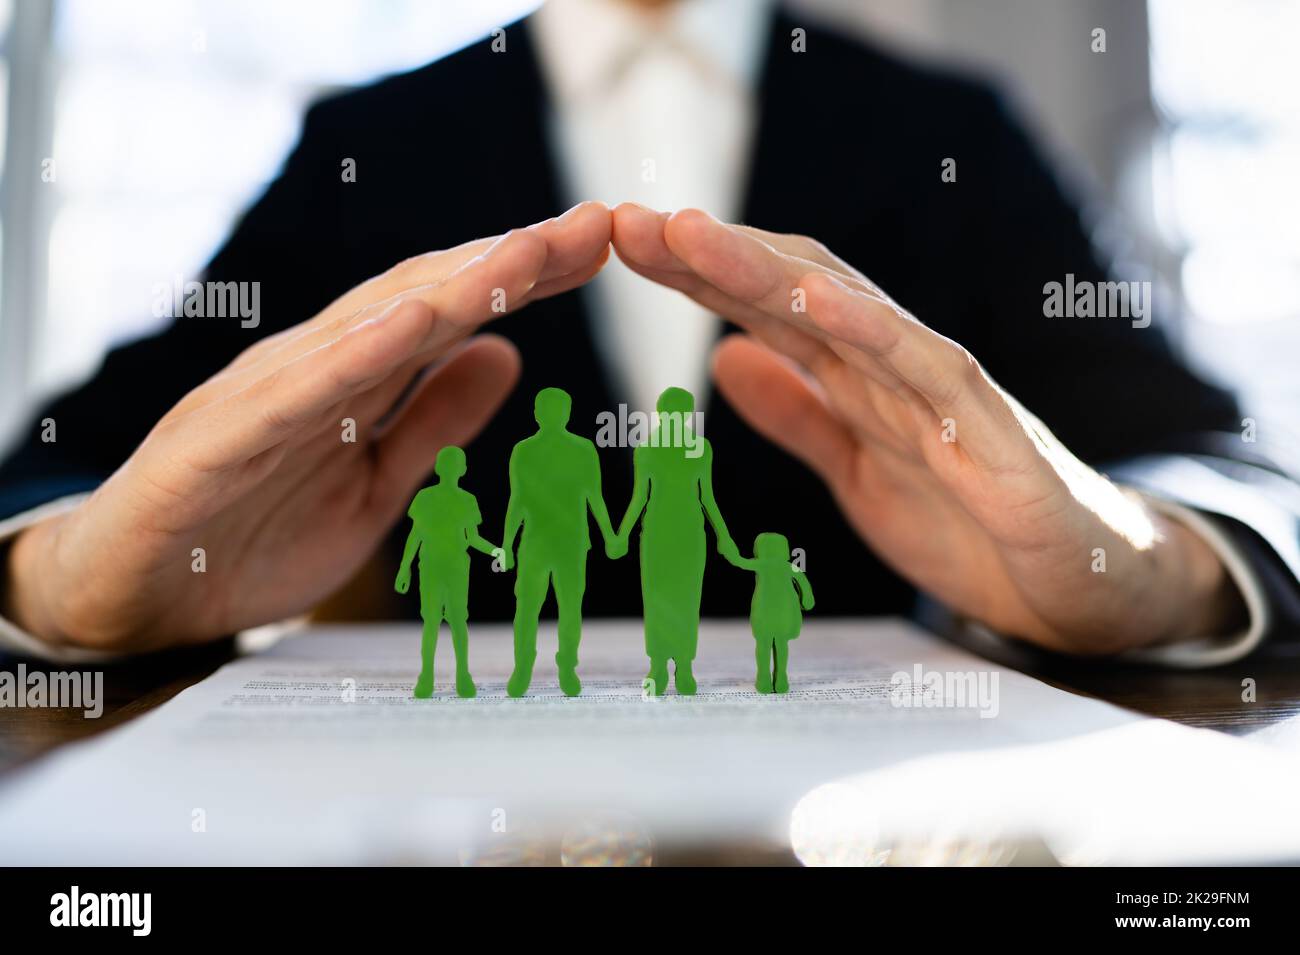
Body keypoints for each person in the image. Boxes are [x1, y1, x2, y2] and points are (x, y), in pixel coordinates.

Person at [1, 0, 1297, 669]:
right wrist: (60, 583)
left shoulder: (951, 132)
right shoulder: (368, 145)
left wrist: (1158, 569)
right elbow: (74, 467)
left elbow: (1222, 461)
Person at [501, 388, 623, 697]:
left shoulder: (583, 450)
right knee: (528, 607)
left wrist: (609, 535)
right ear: (537, 414)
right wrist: (506, 544)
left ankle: (567, 665)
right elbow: (518, 500)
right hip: (536, 543)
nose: (553, 416)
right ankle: (523, 666)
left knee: (569, 607)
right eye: (547, 410)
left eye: (558, 410)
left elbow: (594, 496)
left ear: (567, 414)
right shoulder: (524, 451)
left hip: (571, 542)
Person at [616, 387, 734, 695]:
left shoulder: (700, 449)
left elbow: (707, 497)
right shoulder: (647, 450)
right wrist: (622, 534)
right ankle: (658, 665)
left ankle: (683, 665)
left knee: (685, 598)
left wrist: (724, 536)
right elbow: (640, 498)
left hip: (688, 534)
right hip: (658, 533)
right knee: (658, 598)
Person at [395, 446, 497, 699]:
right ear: (441, 468)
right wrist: (404, 567)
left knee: (455, 621)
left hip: (455, 567)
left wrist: (496, 551)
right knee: (434, 622)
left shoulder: (466, 500)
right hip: (432, 566)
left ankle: (462, 674)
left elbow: (472, 538)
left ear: (462, 470)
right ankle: (427, 676)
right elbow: (416, 535)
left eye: (456, 464)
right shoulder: (425, 498)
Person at [726, 532, 814, 694]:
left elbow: (739, 561)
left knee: (763, 643)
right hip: (783, 611)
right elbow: (804, 584)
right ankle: (781, 677)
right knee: (781, 643)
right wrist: (807, 599)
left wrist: (729, 550)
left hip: (763, 610)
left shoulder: (761, 564)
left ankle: (764, 677)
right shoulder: (790, 566)